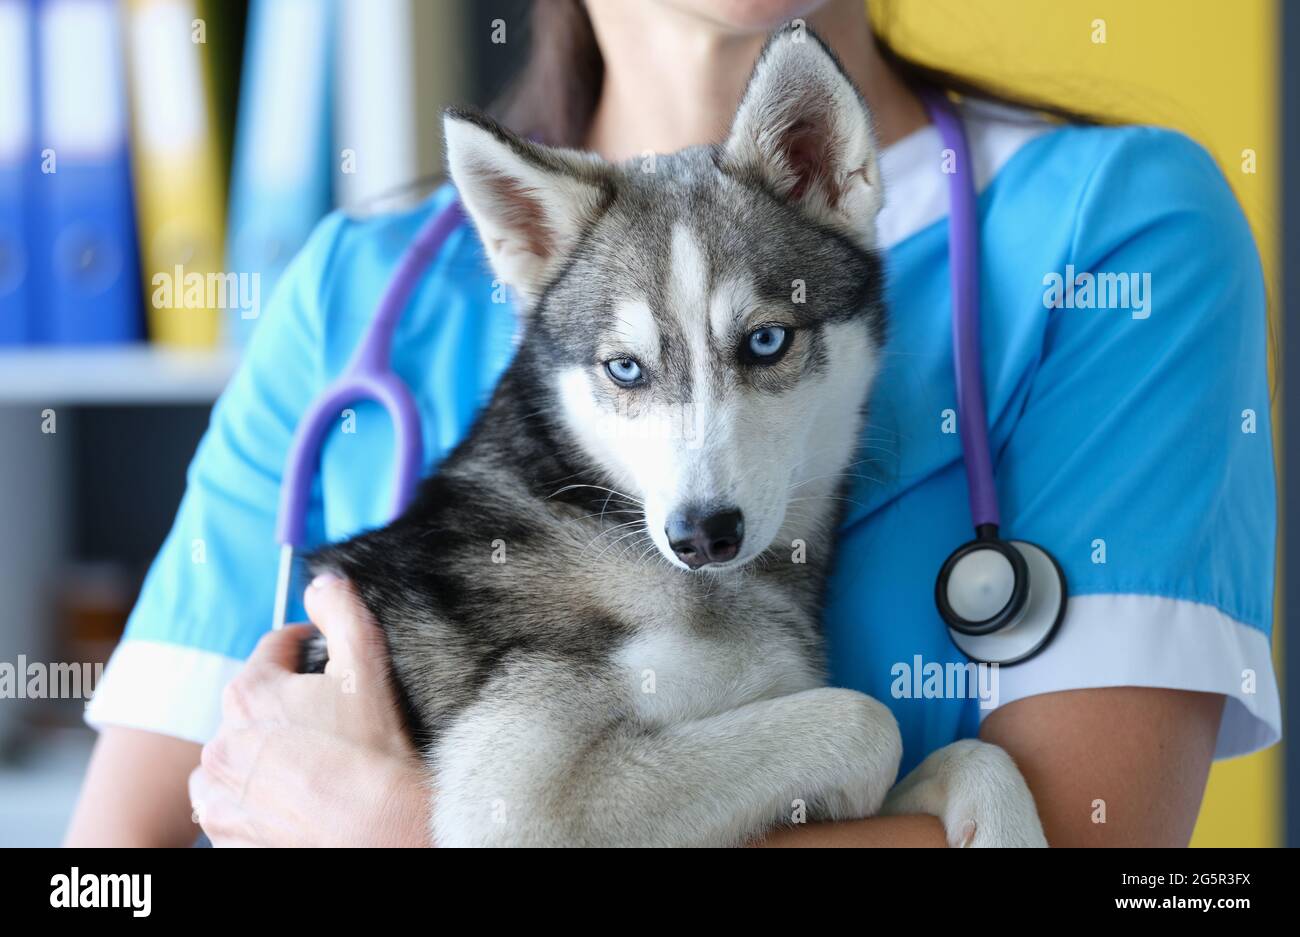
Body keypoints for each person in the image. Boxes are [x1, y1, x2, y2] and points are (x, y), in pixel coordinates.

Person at [67, 0, 1279, 847]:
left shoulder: (1115, 233)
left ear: (823, 167)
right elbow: (101, 874)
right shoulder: (354, 288)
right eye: (635, 375)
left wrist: (404, 832)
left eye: (765, 346)